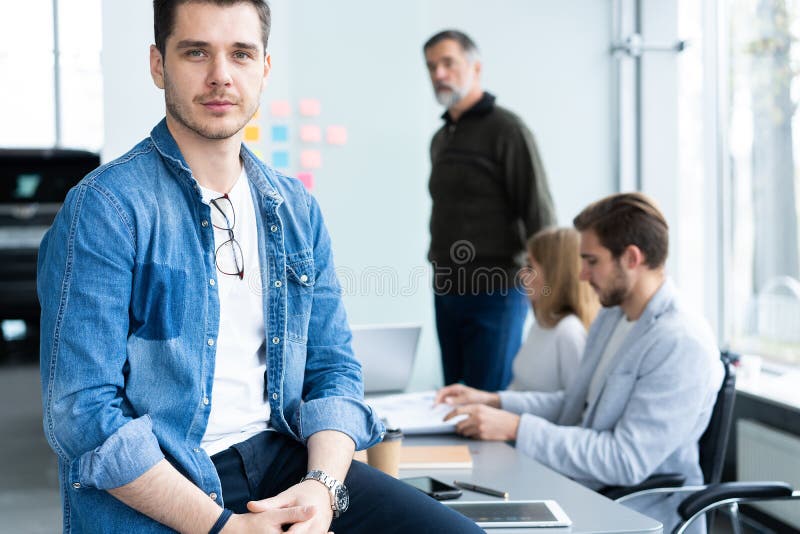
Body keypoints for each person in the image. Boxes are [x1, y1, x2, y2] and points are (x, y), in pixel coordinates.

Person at [36, 2, 483, 533]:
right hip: (167, 477)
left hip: (283, 460)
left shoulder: (295, 208)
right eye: (196, 51)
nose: (220, 75)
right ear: (158, 65)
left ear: (263, 69)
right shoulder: (106, 209)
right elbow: (82, 415)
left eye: (241, 54)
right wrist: (227, 529)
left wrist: (322, 489)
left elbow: (333, 372)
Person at [436, 193, 724, 534]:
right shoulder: (614, 316)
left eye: (592, 261)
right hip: (584, 490)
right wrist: (496, 401)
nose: (582, 275)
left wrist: (517, 428)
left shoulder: (680, 342)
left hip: (634, 510)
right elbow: (575, 402)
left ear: (631, 258)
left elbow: (625, 460)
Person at [423, 29, 556, 391]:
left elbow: (539, 213)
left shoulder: (507, 129)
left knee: (486, 401)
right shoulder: (441, 139)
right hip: (447, 287)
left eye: (448, 63)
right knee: (454, 400)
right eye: (432, 66)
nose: (439, 74)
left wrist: (545, 284)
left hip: (497, 291)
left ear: (475, 67)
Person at [509, 227, 598, 392]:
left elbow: (573, 409)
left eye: (530, 266)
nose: (522, 274)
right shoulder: (541, 323)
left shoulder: (569, 332)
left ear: (554, 274)